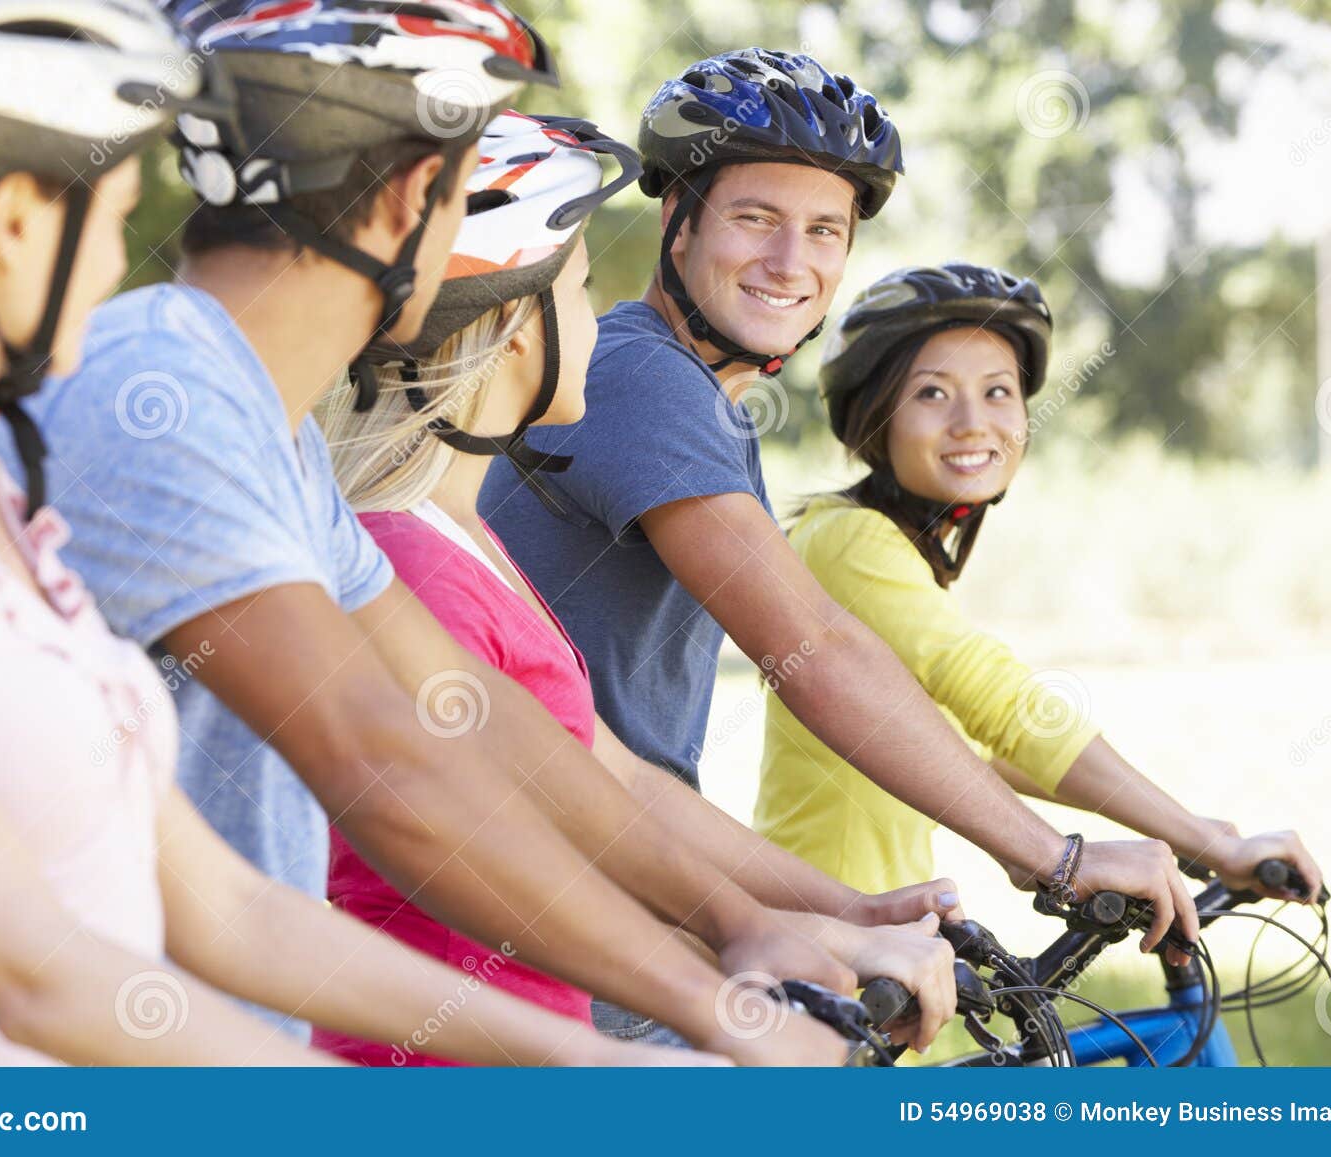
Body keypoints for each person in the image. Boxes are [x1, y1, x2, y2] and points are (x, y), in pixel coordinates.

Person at [0, 0, 691, 1069]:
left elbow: (226, 910)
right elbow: (36, 973)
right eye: (116, 209)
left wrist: (595, 1059)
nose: (116, 269)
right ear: (13, 223)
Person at [0, 2, 852, 1064]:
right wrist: (698, 1000)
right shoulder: (163, 390)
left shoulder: (271, 430)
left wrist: (736, 928)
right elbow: (383, 761)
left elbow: (472, 714)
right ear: (411, 197)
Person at [480, 48, 1201, 1040]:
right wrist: (1055, 856)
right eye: (754, 219)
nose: (791, 262)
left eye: (823, 230)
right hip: (547, 916)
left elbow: (641, 762)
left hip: (622, 880)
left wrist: (844, 908)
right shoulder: (644, 379)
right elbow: (813, 650)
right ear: (675, 220)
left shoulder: (703, 406)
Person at [320, 112, 961, 1060]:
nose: (601, 321)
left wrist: (834, 914)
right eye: (579, 290)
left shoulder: (462, 543)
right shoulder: (413, 569)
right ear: (509, 321)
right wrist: (735, 961)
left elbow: (616, 782)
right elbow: (506, 855)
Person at [755, 262, 1324, 903]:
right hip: (822, 951)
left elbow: (977, 748)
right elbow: (997, 702)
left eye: (998, 391)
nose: (973, 421)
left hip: (873, 935)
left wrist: (1192, 832)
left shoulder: (886, 552)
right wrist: (1208, 844)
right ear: (872, 418)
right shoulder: (849, 541)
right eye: (932, 393)